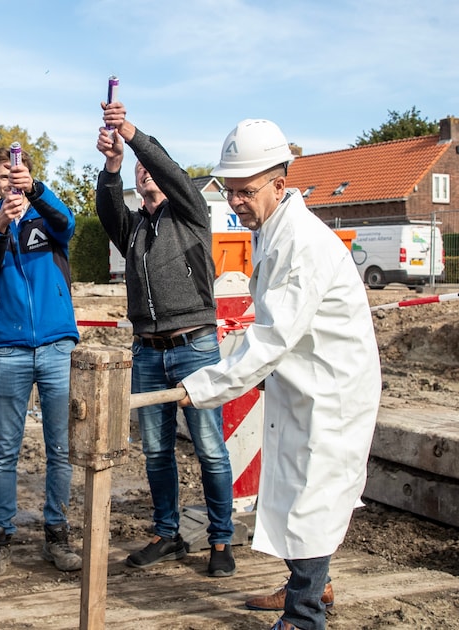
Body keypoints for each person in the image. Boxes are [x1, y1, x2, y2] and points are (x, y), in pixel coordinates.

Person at [177, 119, 381, 630]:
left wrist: (202, 386)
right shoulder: (274, 232)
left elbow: (271, 336)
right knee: (293, 491)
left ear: (279, 184)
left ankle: (304, 617)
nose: (235, 201)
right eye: (230, 190)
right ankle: (310, 585)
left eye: (245, 191)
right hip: (303, 378)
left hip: (331, 390)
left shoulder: (301, 244)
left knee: (311, 498)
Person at [94, 101, 237, 577]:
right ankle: (166, 533)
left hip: (195, 347)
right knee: (156, 451)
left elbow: (170, 169)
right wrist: (113, 165)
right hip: (148, 352)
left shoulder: (191, 212)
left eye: (148, 165)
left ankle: (221, 539)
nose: (145, 171)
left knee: (209, 447)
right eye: (138, 170)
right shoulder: (133, 228)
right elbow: (106, 207)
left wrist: (131, 134)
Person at [0, 146, 81, 577]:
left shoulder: (46, 219)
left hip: (57, 348)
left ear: (28, 178)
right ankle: (1, 535)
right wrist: (2, 223)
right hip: (11, 350)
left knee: (60, 448)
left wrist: (36, 191)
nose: (10, 182)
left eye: (17, 175)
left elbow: (67, 223)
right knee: (5, 449)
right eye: (4, 176)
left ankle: (57, 532)